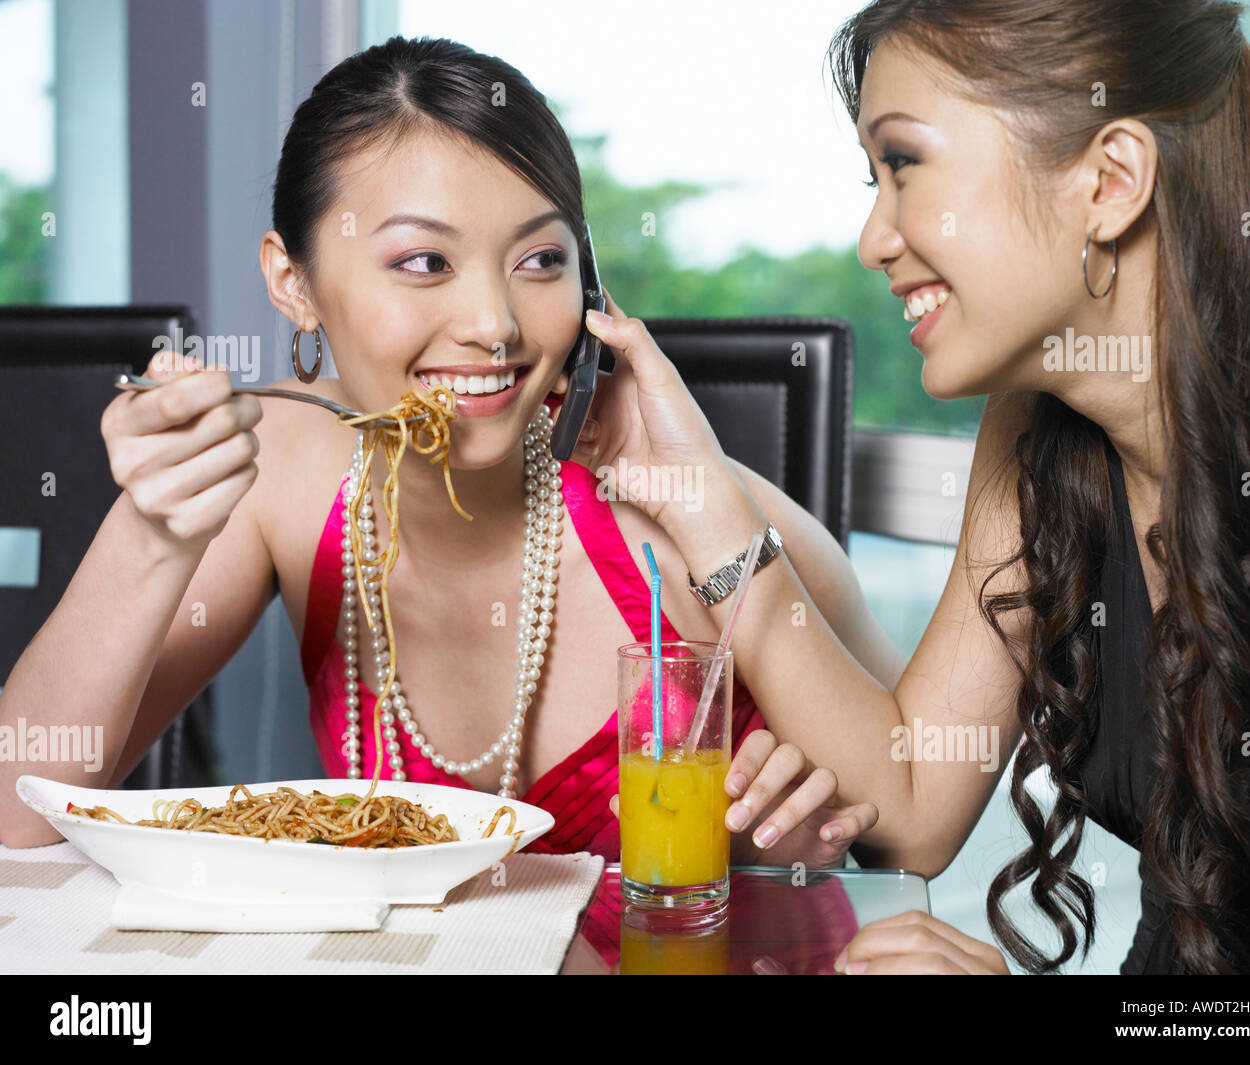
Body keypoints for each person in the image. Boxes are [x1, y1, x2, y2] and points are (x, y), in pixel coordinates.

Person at [0, 37, 894, 871]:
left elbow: (907, 825)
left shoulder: (704, 520)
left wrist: (792, 859)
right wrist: (149, 532)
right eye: (425, 262)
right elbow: (14, 822)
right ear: (292, 281)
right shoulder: (279, 470)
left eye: (540, 259)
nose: (494, 326)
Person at [574, 0, 1250, 974]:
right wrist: (699, 493)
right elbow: (910, 802)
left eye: (905, 166)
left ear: (1110, 180)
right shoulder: (1035, 435)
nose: (874, 239)